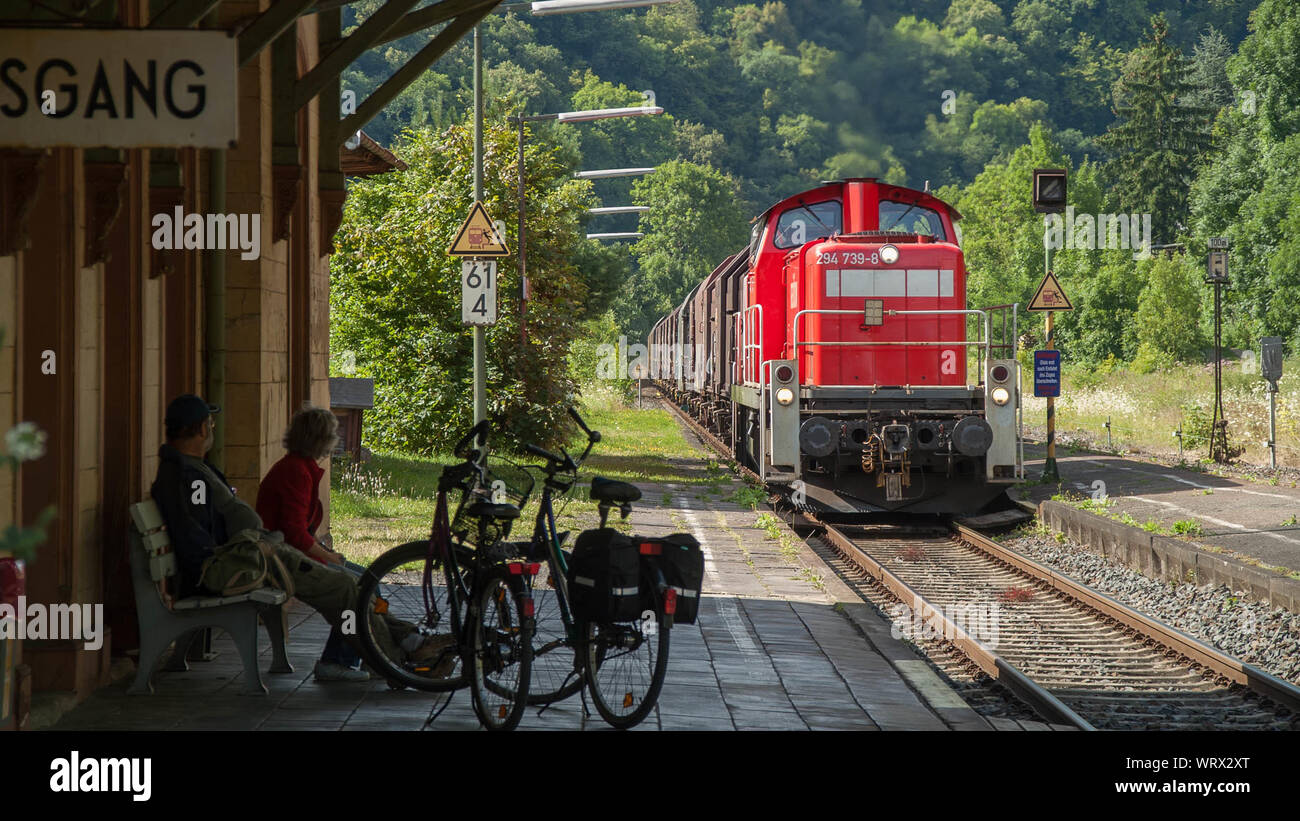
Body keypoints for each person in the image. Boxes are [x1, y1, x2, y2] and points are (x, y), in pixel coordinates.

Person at [150, 394, 451, 684]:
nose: (212, 431)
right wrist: (255, 544)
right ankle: (396, 663)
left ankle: (405, 646)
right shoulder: (188, 478)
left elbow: (211, 524)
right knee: (349, 585)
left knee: (357, 584)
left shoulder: (190, 469)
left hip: (260, 552)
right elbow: (203, 536)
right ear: (201, 428)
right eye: (211, 426)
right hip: (248, 561)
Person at [256, 407, 366, 681]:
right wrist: (328, 558)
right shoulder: (297, 472)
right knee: (354, 588)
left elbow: (300, 529)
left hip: (288, 555)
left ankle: (370, 655)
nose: (336, 439)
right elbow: (295, 533)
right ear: (321, 439)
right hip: (285, 561)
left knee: (366, 580)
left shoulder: (298, 467)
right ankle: (337, 660)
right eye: (332, 434)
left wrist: (327, 553)